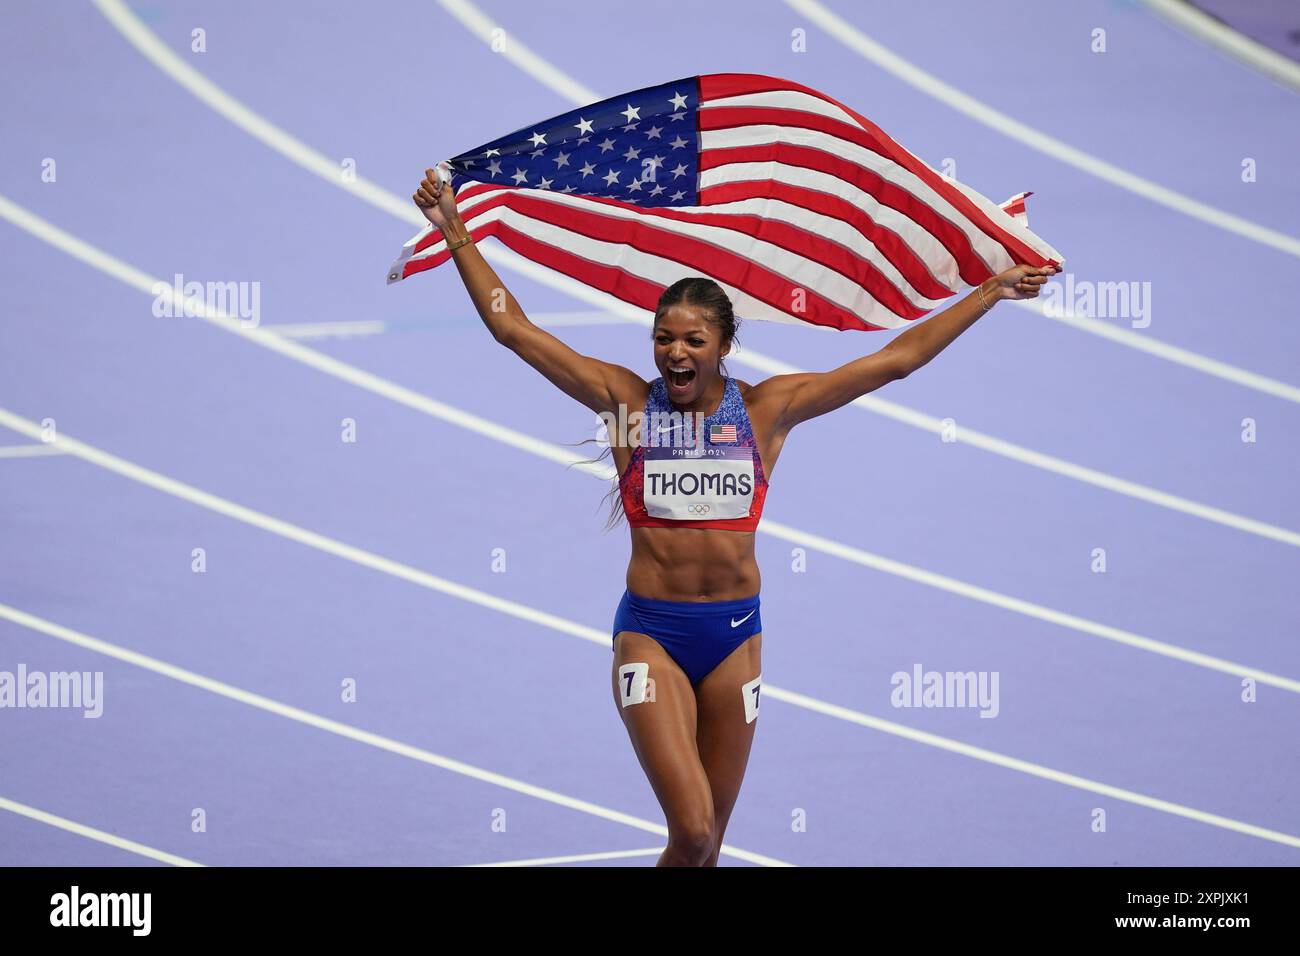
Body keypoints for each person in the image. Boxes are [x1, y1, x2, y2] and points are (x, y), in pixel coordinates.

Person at [413, 167, 1056, 867]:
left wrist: (990, 291)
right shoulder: (627, 403)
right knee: (689, 830)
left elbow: (895, 361)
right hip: (651, 637)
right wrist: (455, 228)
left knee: (709, 846)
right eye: (664, 339)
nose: (675, 353)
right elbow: (514, 329)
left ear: (723, 346)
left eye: (692, 341)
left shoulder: (766, 411)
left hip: (736, 641)